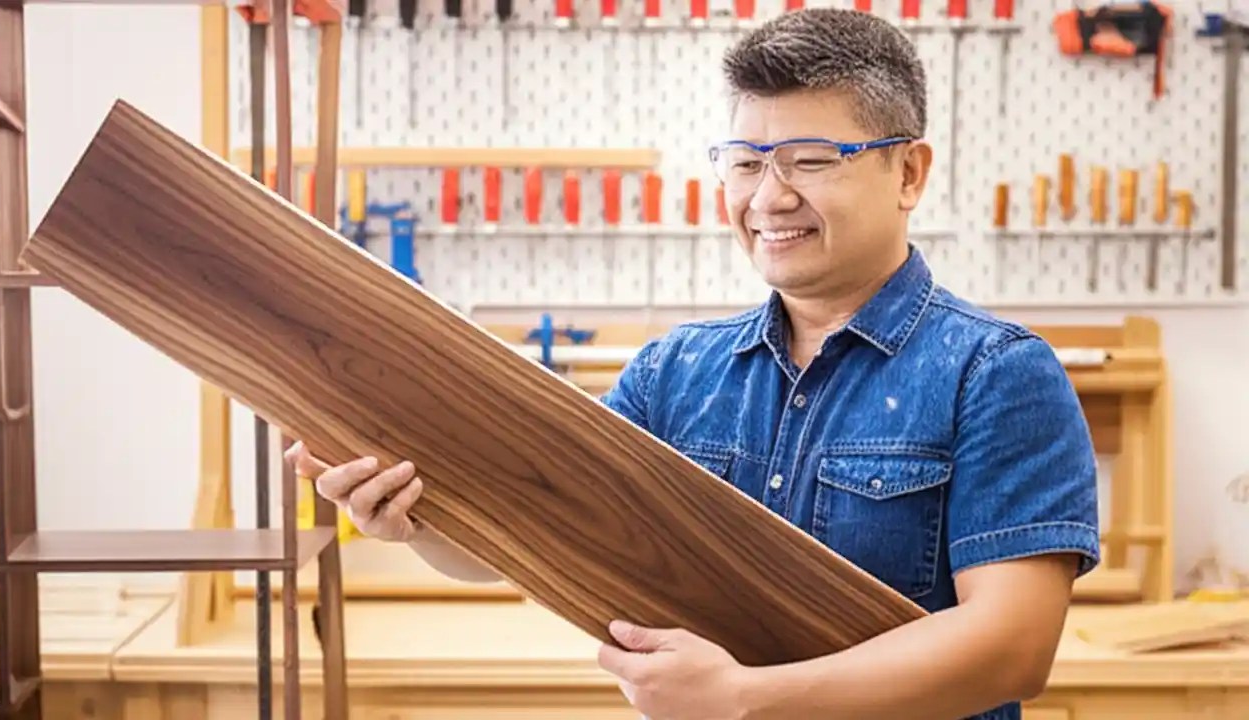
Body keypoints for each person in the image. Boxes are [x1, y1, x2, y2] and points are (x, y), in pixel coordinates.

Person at [286, 8, 1100, 719]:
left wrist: (745, 699)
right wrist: (416, 514)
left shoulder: (996, 374)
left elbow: (1010, 649)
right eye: (745, 162)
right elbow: (529, 542)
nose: (768, 196)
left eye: (810, 159)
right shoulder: (675, 372)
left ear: (909, 172)